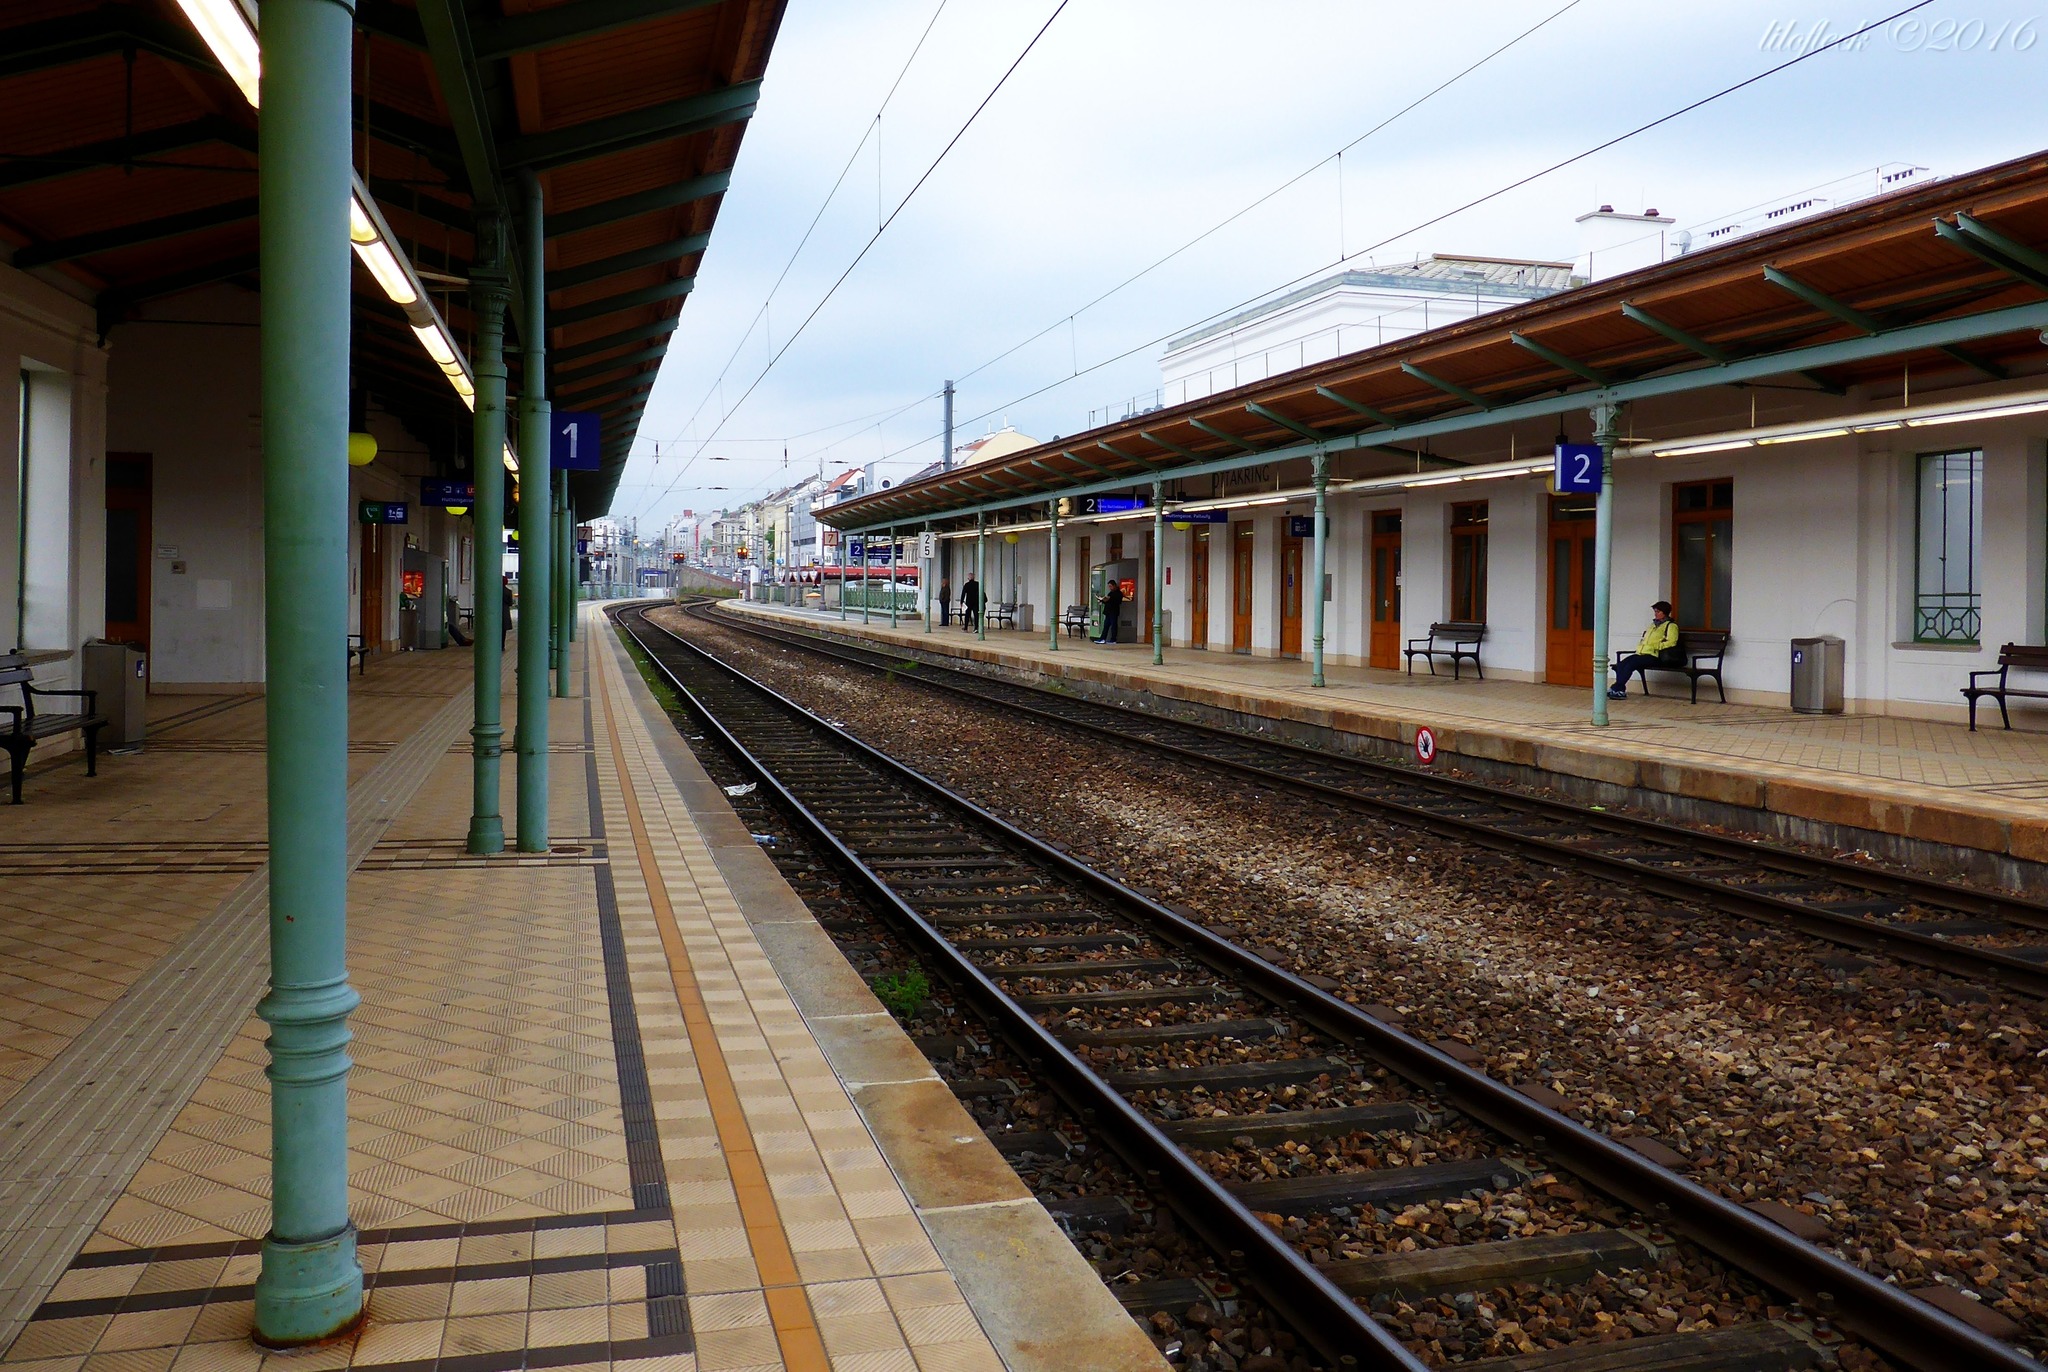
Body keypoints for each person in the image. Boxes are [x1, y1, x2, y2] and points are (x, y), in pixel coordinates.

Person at [1609, 600, 1680, 698]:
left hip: (1655, 655)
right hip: (1642, 653)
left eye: (1658, 611)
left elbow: (1672, 642)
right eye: (1655, 611)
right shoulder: (1652, 625)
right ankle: (1618, 689)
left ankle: (1617, 689)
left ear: (1664, 612)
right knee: (1622, 664)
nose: (1655, 614)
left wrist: (1656, 646)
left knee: (1631, 664)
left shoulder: (1671, 626)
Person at [1094, 579, 1125, 644]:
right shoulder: (1110, 593)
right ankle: (1102, 638)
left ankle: (1113, 639)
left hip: (1114, 612)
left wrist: (1109, 599)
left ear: (1114, 585)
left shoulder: (1119, 593)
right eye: (1109, 586)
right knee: (1106, 626)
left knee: (1113, 626)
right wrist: (1102, 600)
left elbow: (1117, 602)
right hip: (1108, 612)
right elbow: (1107, 601)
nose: (1110, 588)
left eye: (1111, 586)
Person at [501, 573, 516, 650]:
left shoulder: (494, 591)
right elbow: (510, 603)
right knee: (503, 630)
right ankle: (502, 645)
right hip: (505, 612)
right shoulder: (508, 591)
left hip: (496, 612)